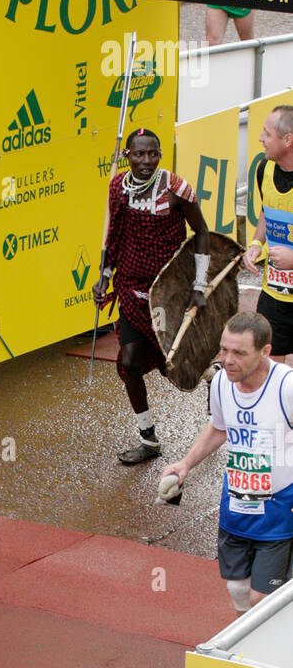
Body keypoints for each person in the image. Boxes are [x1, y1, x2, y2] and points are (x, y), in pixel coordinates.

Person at [161, 311, 293, 615]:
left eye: (239, 353)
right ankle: (247, 656)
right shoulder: (221, 382)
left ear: (265, 352)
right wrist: (185, 464)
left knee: (264, 602)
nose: (228, 359)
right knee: (238, 591)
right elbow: (219, 427)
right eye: (224, 350)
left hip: (280, 511)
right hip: (235, 505)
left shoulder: (286, 387)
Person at [93, 129, 209, 464]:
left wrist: (199, 286)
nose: (146, 161)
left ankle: (218, 394)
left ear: (160, 154)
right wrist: (104, 277)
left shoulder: (177, 189)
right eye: (139, 154)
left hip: (167, 291)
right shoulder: (118, 187)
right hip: (130, 288)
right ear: (127, 154)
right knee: (129, 361)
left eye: (153, 154)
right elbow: (114, 236)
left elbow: (201, 232)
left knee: (180, 365)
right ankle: (148, 438)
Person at [242, 103, 293, 364]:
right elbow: (266, 211)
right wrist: (255, 243)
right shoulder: (265, 168)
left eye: (266, 133)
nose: (260, 139)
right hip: (275, 292)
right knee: (270, 368)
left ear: (288, 139)